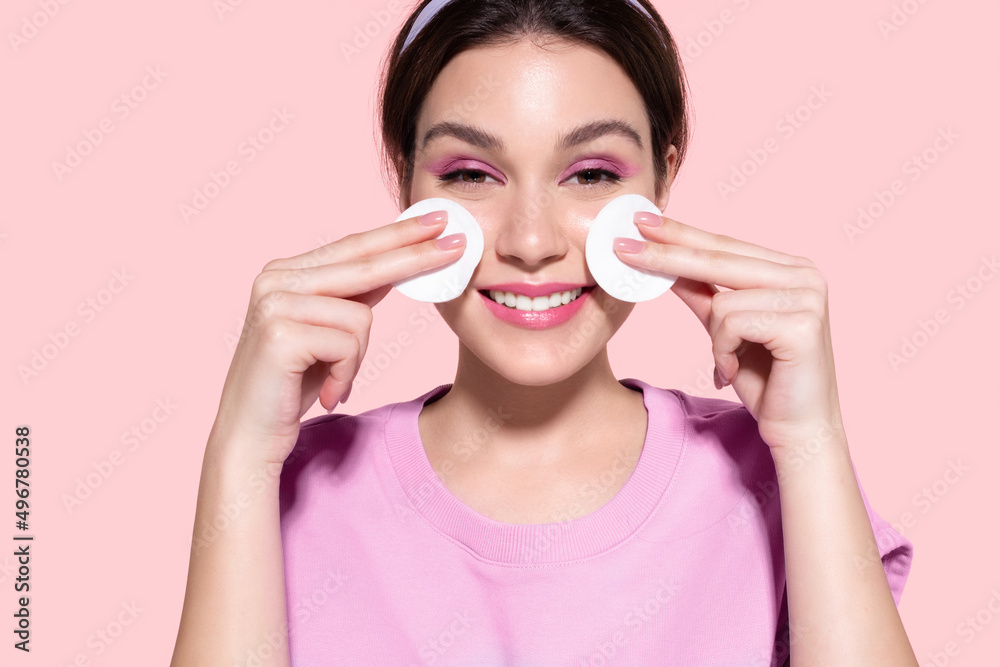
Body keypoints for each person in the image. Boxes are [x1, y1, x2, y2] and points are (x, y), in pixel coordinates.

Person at [170, 0, 916, 664]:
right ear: (405, 183)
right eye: (470, 173)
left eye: (591, 173)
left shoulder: (775, 477)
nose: (531, 241)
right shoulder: (287, 490)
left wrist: (812, 441)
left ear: (662, 179)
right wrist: (237, 452)